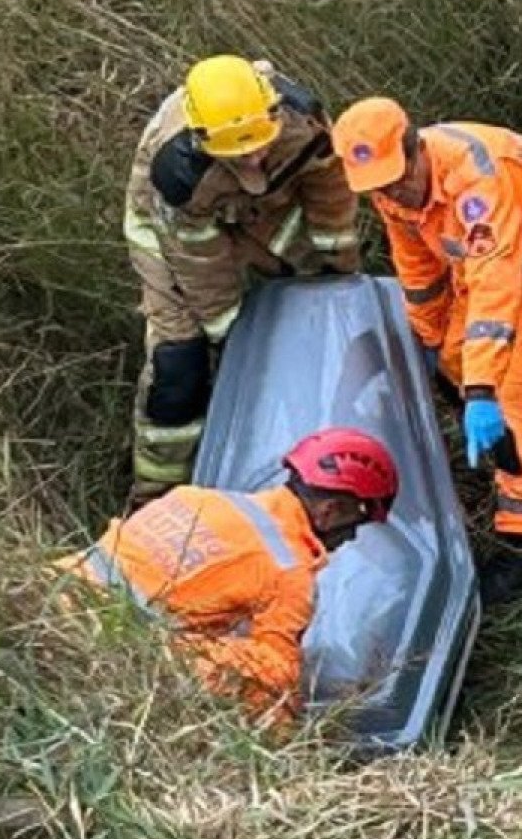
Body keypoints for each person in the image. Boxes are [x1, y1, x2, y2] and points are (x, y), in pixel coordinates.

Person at [329, 98, 522, 604]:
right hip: (495, 265)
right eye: (378, 186)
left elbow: (495, 285)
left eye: (397, 178)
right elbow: (419, 271)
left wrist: (484, 390)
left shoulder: (477, 181)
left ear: (416, 147)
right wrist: (429, 340)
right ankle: (501, 455)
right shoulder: (388, 185)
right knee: (458, 358)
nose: (392, 192)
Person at [122, 55, 362, 509]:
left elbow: (330, 196)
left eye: (259, 145)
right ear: (204, 141)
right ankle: (156, 498)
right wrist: (233, 340)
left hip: (266, 203)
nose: (254, 155)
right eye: (240, 151)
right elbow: (202, 267)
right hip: (174, 232)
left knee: (313, 303)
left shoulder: (303, 122)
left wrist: (339, 272)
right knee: (181, 364)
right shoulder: (178, 173)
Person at [62, 427, 399, 722]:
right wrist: (283, 756)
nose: (352, 538)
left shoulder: (196, 497)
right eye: (356, 525)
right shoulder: (289, 572)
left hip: (57, 596)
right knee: (271, 673)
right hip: (105, 647)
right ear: (331, 511)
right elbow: (275, 684)